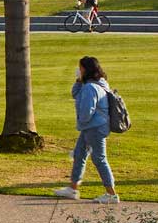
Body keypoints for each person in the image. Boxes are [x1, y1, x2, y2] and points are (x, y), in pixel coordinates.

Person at [52, 55, 121, 203]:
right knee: (79, 154)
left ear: (86, 69)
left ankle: (111, 194)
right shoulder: (95, 84)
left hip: (94, 128)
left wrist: (81, 121)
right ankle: (73, 188)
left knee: (99, 159)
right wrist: (78, 80)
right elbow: (75, 94)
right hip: (92, 127)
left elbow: (85, 112)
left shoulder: (90, 88)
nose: (78, 70)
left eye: (80, 68)